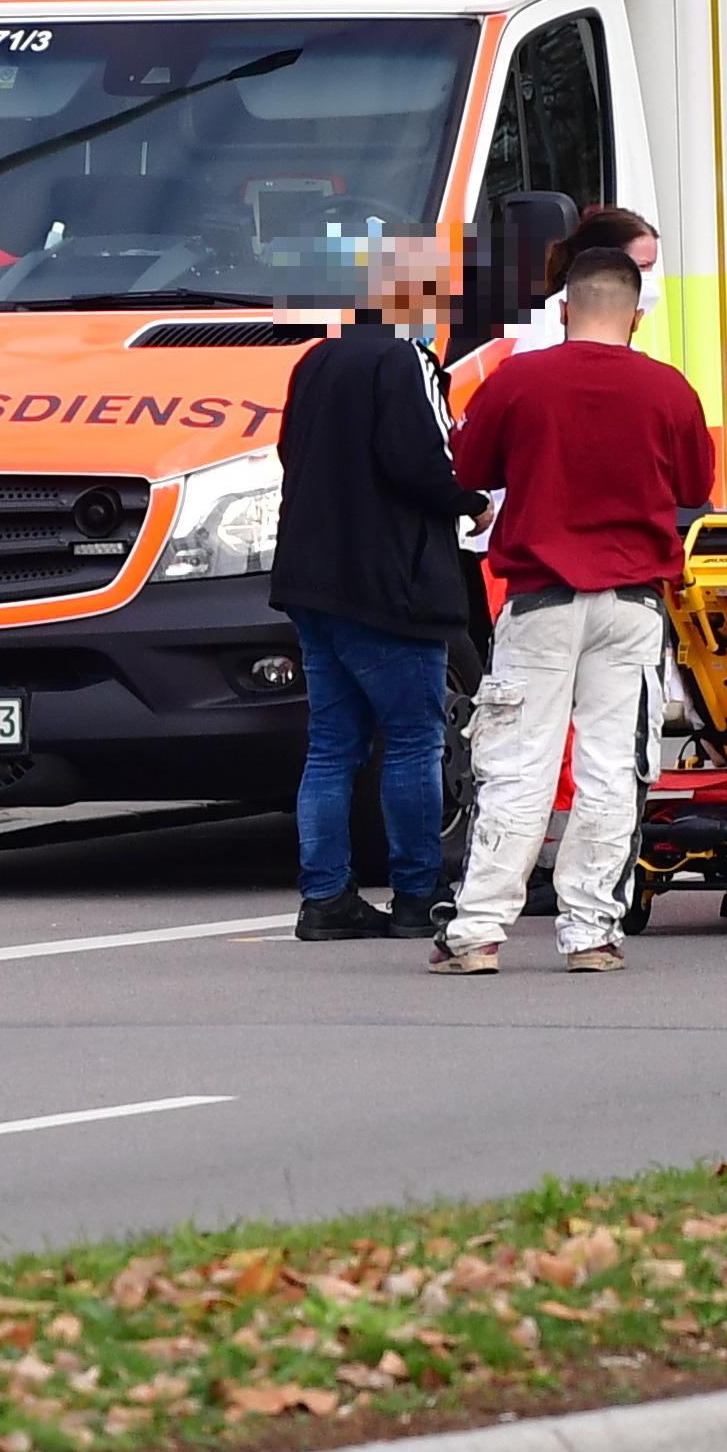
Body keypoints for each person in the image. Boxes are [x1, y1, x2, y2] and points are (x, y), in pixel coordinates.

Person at [437, 252, 713, 974]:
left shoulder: (520, 380)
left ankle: (477, 933)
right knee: (614, 768)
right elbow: (694, 483)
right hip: (633, 605)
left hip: (539, 601)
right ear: (637, 316)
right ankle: (591, 931)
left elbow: (469, 468)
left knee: (515, 765)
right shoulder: (669, 389)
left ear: (563, 311)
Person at [269, 231, 476, 942]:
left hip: (310, 578)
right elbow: (423, 462)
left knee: (332, 745)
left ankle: (325, 897)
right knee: (416, 740)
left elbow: (288, 451)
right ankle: (419, 892)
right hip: (390, 583)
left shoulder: (315, 362)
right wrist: (474, 502)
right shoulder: (405, 360)